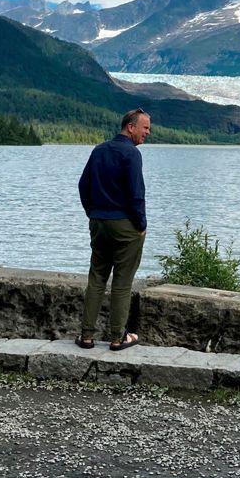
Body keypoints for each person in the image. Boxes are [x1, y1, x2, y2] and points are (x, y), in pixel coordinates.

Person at [77, 108, 151, 351]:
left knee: (97, 277)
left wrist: (92, 213)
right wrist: (141, 225)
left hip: (99, 222)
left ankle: (86, 335)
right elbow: (136, 194)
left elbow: (83, 185)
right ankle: (118, 337)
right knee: (122, 281)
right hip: (124, 225)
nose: (147, 133)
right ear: (130, 127)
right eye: (145, 128)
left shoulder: (99, 150)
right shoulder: (131, 154)